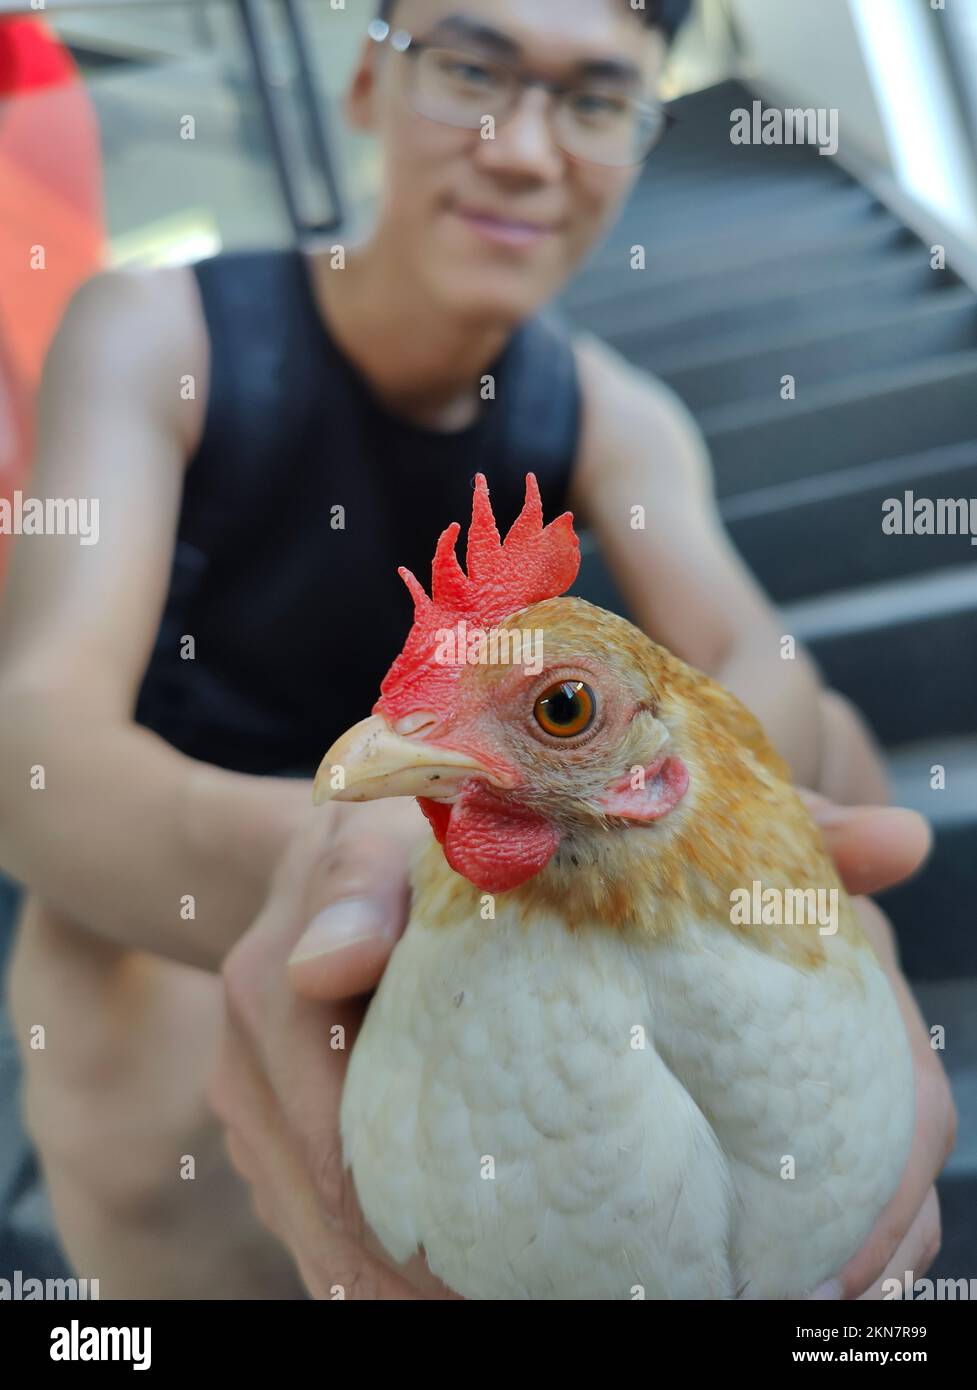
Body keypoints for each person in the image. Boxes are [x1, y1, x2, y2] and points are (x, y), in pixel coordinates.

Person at [0, 0, 954, 1298]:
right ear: (360, 90)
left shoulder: (620, 411)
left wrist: (771, 876)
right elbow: (33, 736)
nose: (520, 147)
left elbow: (749, 650)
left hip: (492, 814)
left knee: (829, 734)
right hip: (222, 841)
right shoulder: (161, 328)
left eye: (595, 97)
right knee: (95, 969)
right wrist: (353, 863)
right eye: (469, 68)